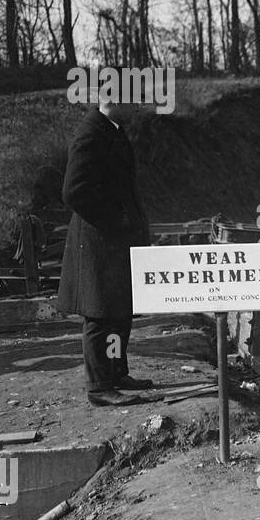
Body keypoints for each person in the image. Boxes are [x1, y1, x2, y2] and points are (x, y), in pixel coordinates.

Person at [56, 98, 162, 406]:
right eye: (132, 101)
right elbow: (73, 191)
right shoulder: (90, 134)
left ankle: (116, 373)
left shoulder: (111, 129)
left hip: (116, 241)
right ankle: (99, 387)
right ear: (113, 99)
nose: (137, 107)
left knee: (119, 311)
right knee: (100, 314)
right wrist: (117, 220)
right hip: (99, 242)